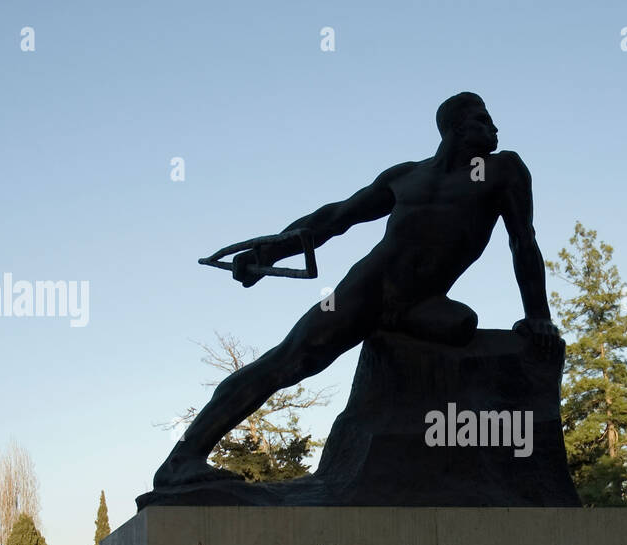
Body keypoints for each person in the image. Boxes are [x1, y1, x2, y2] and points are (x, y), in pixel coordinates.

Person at [154, 91, 560, 490]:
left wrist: (537, 316)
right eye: (483, 120)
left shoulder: (503, 170)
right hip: (368, 286)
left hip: (421, 302)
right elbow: (336, 216)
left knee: (460, 324)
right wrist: (271, 250)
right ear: (455, 127)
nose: (494, 129)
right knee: (287, 359)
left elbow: (523, 241)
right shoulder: (405, 176)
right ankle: (182, 460)